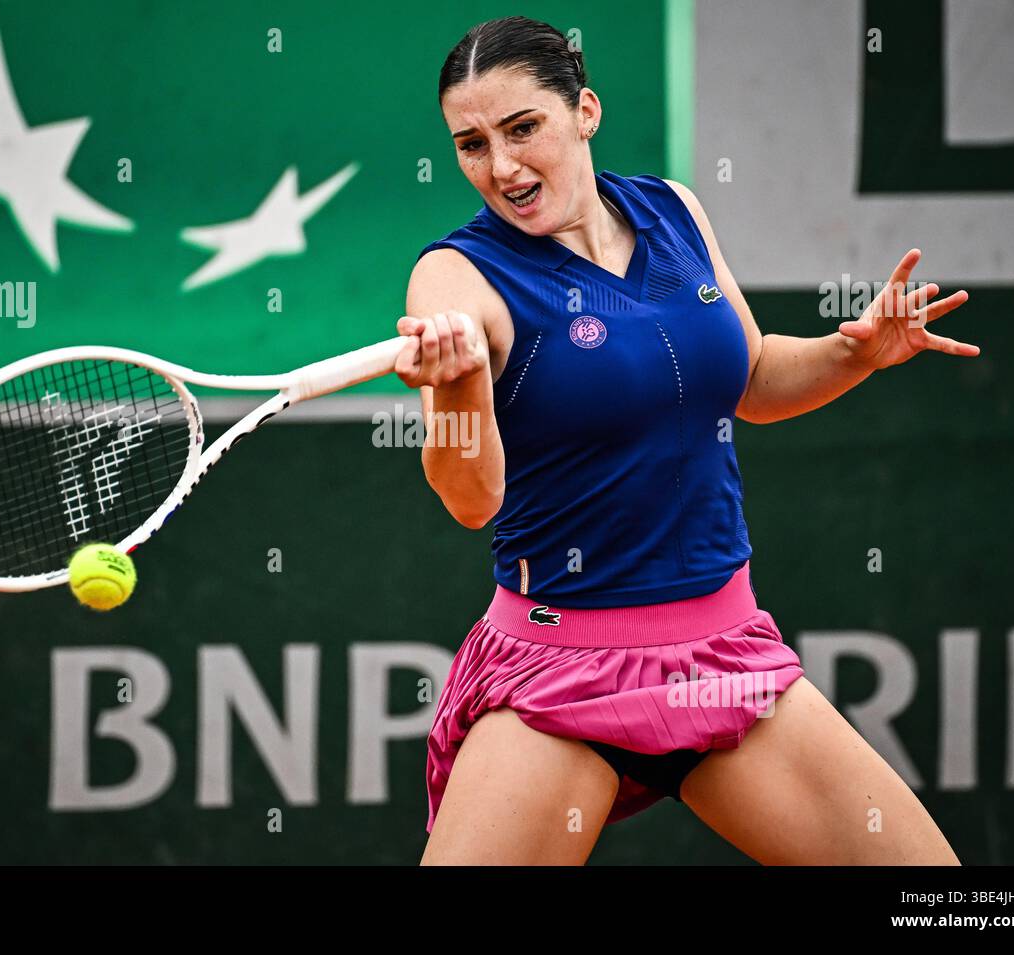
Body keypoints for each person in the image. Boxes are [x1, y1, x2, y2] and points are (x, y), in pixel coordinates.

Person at [392, 16, 976, 865]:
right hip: (557, 674)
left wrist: (855, 354)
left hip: (725, 657)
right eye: (471, 144)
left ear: (584, 111)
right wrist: (459, 386)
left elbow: (750, 380)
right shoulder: (454, 276)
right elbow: (468, 497)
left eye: (524, 129)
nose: (503, 167)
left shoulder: (674, 210)